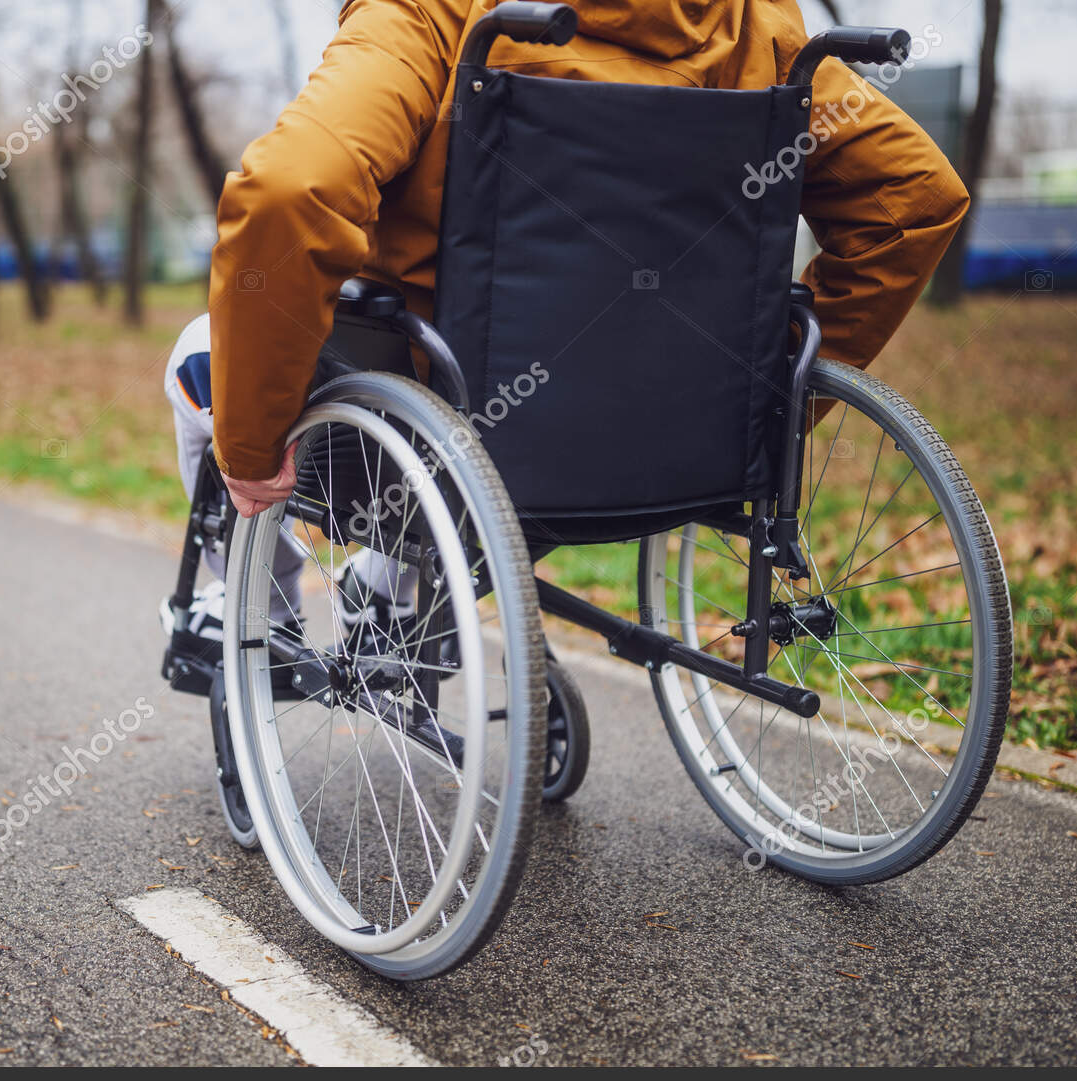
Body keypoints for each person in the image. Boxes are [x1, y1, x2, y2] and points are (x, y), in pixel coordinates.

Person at [161, 0, 968, 641]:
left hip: (455, 428)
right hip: (679, 439)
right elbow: (915, 203)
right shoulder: (755, 28)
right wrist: (766, 407)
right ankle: (386, 585)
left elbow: (291, 192)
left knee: (202, 359)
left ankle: (261, 614)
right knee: (521, 415)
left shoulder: (432, 16)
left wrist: (252, 445)